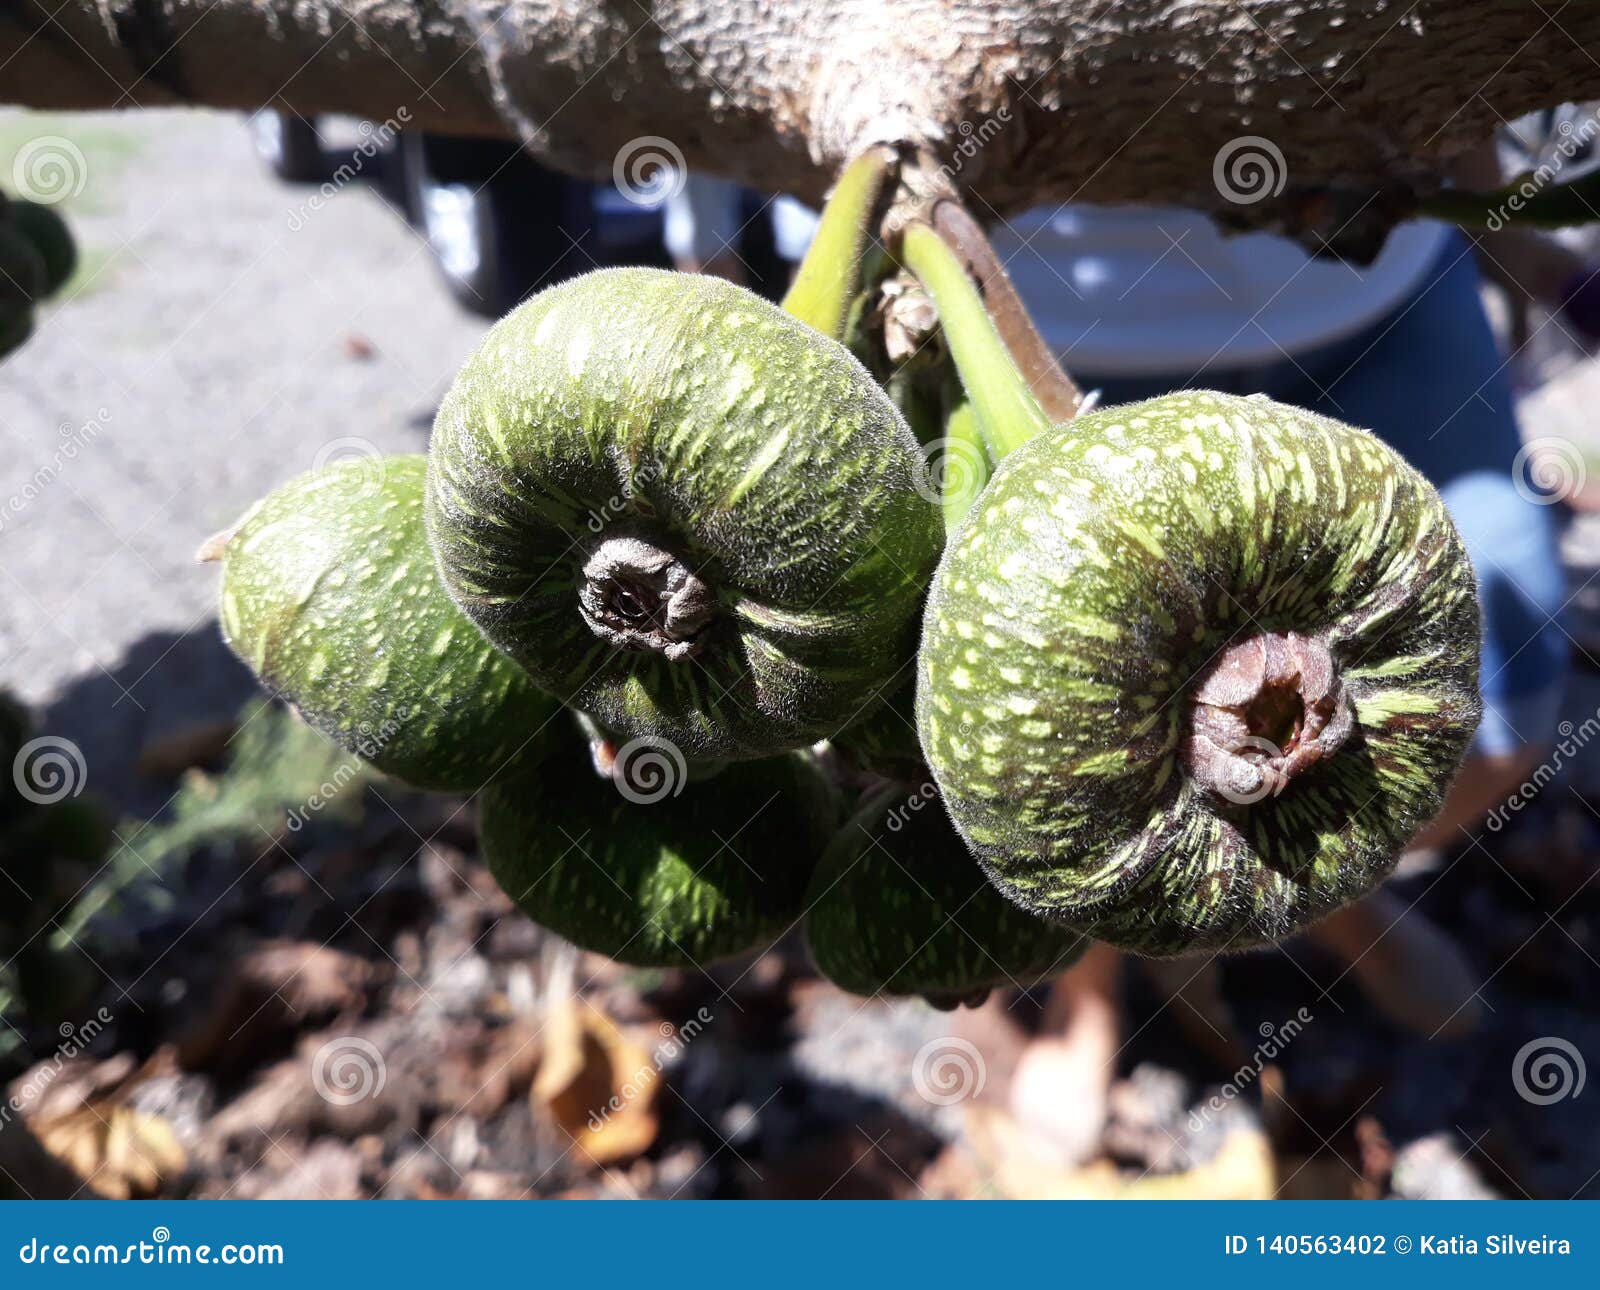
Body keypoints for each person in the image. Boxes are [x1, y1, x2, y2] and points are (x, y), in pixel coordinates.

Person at [983, 146, 1585, 1162]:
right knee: (1064, 767)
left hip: (1372, 282)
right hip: (1042, 317)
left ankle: (1313, 895)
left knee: (1507, 706)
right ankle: (1088, 990)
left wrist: (1509, 222)